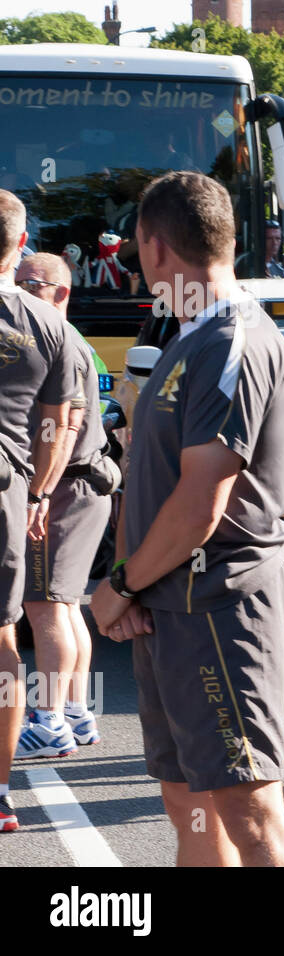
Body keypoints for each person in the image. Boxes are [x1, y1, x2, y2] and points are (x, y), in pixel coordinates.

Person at [87, 171, 284, 865]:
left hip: (219, 605)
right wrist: (135, 585)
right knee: (190, 806)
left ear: (154, 248)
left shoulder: (230, 342)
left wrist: (119, 585)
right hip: (172, 606)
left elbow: (199, 504)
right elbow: (148, 480)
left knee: (248, 810)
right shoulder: (189, 336)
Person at [13, 254, 114, 761]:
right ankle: (74, 712)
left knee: (44, 606)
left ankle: (48, 720)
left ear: (62, 291)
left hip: (65, 488)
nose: (21, 289)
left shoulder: (58, 339)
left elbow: (65, 426)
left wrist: (39, 494)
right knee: (67, 606)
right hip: (79, 485)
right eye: (17, 281)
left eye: (32, 282)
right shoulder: (70, 339)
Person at [0, 191, 77, 834]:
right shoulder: (48, 323)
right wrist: (41, 492)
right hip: (8, 488)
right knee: (4, 637)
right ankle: (0, 790)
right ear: (20, 247)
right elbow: (59, 423)